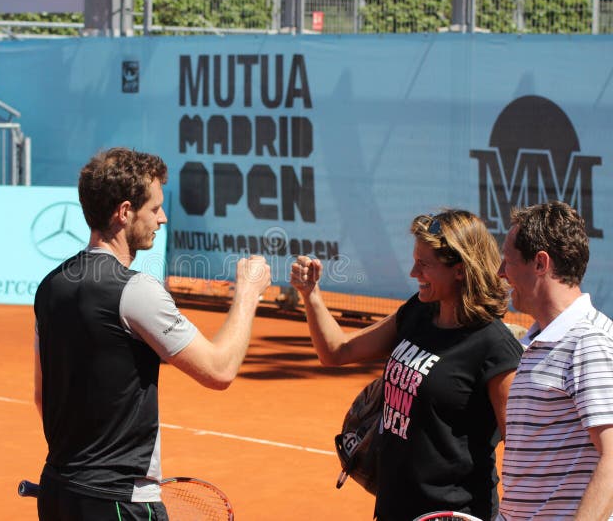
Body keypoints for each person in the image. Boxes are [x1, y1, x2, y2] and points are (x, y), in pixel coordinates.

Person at [33, 147, 271, 521]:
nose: (162, 218)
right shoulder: (136, 290)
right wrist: (247, 293)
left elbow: (41, 397)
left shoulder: (51, 286)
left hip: (59, 492)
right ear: (125, 212)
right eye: (155, 208)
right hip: (119, 500)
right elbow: (219, 370)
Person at [290, 209, 523, 521]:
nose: (414, 272)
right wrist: (311, 295)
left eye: (424, 264)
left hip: (453, 513)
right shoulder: (419, 312)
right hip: (394, 507)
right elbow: (336, 351)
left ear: (459, 269)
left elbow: (521, 449)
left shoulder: (494, 346)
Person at [496, 201, 613, 521]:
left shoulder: (588, 343)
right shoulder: (536, 343)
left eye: (507, 261)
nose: (500, 273)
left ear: (540, 263)